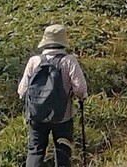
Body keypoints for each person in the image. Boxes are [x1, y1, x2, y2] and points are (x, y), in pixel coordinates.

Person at [17, 23, 88, 167]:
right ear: (63, 41)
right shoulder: (68, 60)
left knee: (35, 151)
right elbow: (80, 88)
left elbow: (22, 90)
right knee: (62, 149)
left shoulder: (34, 61)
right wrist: (81, 97)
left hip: (37, 115)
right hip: (62, 115)